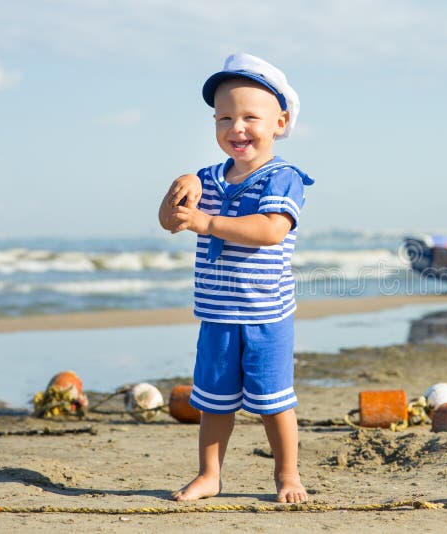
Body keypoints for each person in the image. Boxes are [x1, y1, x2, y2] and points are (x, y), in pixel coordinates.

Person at [158, 53, 313, 504]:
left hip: (266, 313)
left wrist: (206, 224)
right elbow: (171, 221)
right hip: (218, 313)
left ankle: (287, 475)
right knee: (213, 400)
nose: (236, 127)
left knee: (274, 400)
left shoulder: (283, 178)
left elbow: (270, 230)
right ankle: (210, 474)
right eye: (224, 117)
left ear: (280, 122)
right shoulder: (207, 178)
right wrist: (177, 193)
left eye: (250, 116)